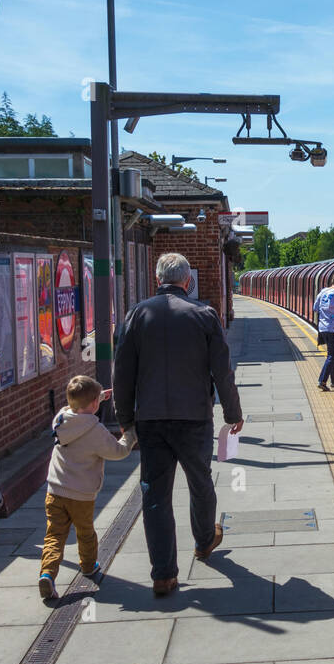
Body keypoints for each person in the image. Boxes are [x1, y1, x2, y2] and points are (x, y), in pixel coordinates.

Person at [114, 252, 244, 596]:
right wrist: (233, 413)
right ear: (188, 281)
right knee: (200, 481)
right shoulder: (204, 314)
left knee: (154, 495)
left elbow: (122, 372)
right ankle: (203, 542)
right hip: (194, 418)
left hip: (151, 420)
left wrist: (125, 419)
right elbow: (222, 370)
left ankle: (163, 575)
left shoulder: (137, 315)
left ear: (158, 279)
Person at [39, 375, 137, 600]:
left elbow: (75, 407)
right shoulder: (95, 430)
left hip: (54, 491)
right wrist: (130, 435)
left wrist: (98, 397)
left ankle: (47, 573)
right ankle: (88, 566)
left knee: (54, 534)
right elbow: (118, 452)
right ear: (94, 404)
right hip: (81, 495)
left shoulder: (60, 420)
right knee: (85, 533)